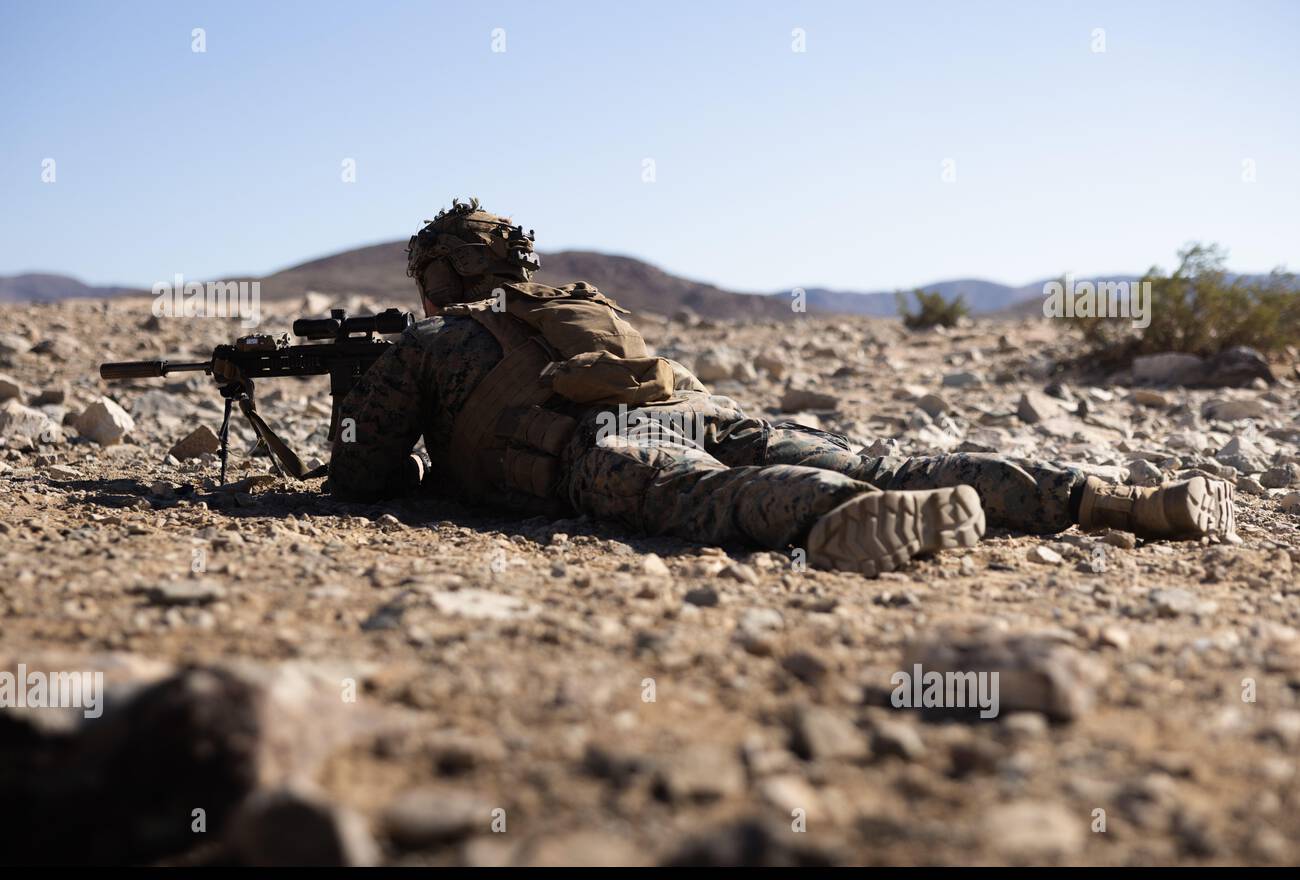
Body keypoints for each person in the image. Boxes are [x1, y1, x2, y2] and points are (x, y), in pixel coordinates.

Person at [328, 199, 1235, 576]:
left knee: (698, 496)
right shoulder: (572, 302)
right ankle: (1116, 501)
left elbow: (365, 480)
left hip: (599, 445)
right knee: (892, 456)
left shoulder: (433, 341)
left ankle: (834, 518)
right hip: (702, 407)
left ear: (443, 272)